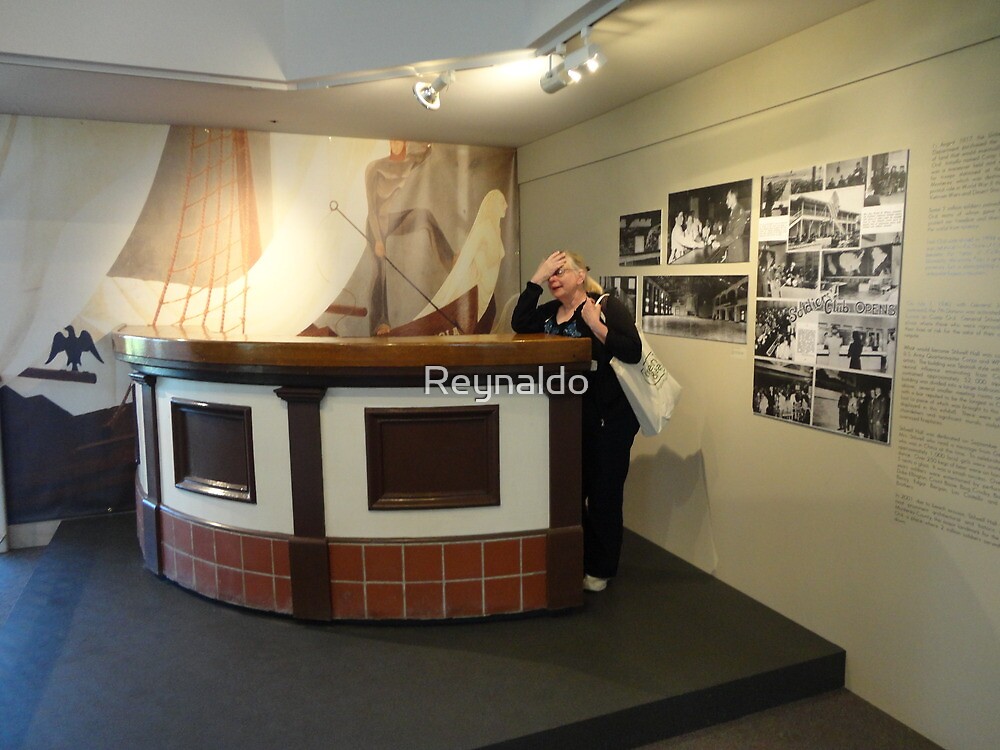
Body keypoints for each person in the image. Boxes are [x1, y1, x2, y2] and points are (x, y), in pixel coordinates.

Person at [511, 250, 642, 593]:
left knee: (604, 493)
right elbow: (519, 322)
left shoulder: (606, 306)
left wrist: (596, 326)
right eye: (551, 273)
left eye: (560, 271)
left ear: (581, 275)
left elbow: (632, 349)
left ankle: (600, 568)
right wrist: (535, 280)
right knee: (572, 490)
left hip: (609, 419)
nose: (555, 278)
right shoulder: (550, 313)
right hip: (569, 419)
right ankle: (581, 557)